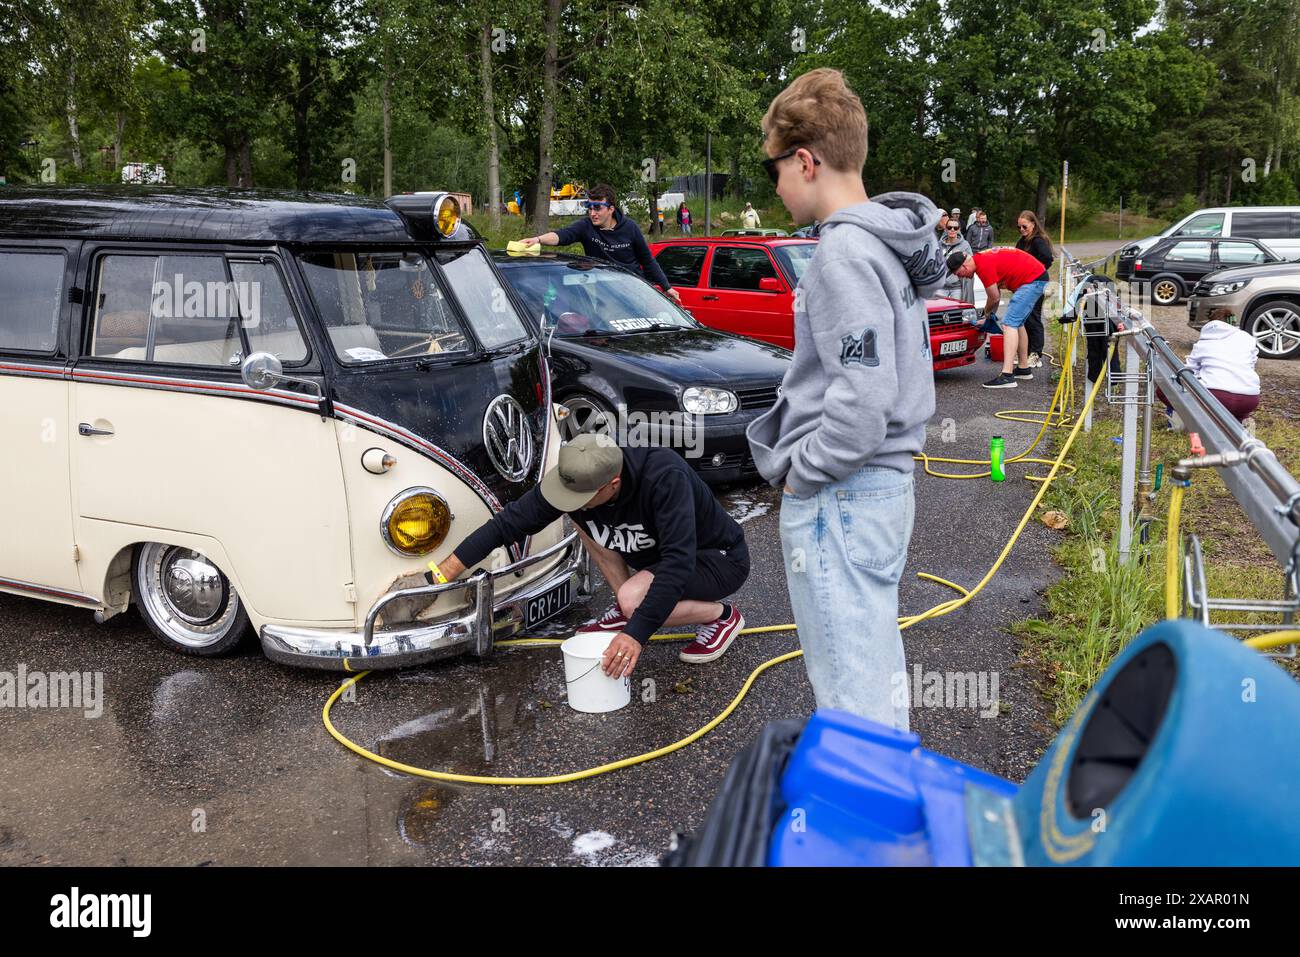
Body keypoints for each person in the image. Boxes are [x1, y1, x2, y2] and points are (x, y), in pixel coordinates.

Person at [746, 67, 948, 731]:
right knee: (872, 675)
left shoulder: (841, 254)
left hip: (844, 496)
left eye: (775, 169)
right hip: (880, 490)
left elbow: (861, 401)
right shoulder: (887, 243)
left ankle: (875, 830)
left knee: (851, 700)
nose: (775, 187)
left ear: (805, 161)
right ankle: (887, 813)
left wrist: (803, 472)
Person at [427, 434, 749, 678]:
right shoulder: (578, 476)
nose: (570, 501)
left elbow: (677, 565)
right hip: (657, 557)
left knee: (635, 600)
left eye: (581, 497)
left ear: (613, 484)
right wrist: (442, 574)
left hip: (715, 558)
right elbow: (507, 524)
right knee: (585, 524)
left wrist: (635, 635)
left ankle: (720, 616)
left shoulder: (664, 477)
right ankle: (627, 606)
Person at [520, 184, 680, 301]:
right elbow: (563, 235)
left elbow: (648, 260)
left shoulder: (630, 228)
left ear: (611, 209)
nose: (592, 213)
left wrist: (667, 287)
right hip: (604, 292)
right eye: (589, 207)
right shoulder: (585, 226)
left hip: (633, 289)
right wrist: (538, 240)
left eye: (597, 208)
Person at [948, 245, 1049, 388]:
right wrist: (989, 316)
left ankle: (1007, 376)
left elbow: (994, 298)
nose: (959, 277)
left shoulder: (983, 265)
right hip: (1036, 277)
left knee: (1009, 324)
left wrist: (985, 315)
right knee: (1017, 323)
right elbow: (995, 294)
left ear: (964, 266)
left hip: (1033, 280)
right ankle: (1023, 368)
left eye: (958, 273)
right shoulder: (982, 260)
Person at [1159, 307, 1260, 428]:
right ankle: (1240, 422)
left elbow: (1189, 372)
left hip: (1216, 396)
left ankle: (1182, 420)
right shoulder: (1248, 339)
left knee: (1164, 390)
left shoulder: (1205, 342)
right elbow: (1252, 363)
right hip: (1249, 398)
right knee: (1237, 400)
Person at [1014, 209, 1054, 369]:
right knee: (1025, 317)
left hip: (1036, 283)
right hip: (1024, 284)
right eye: (1019, 227)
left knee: (1033, 318)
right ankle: (1027, 353)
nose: (1022, 230)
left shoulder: (1038, 241)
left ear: (1033, 224)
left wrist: (1036, 271)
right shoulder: (1023, 241)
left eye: (1024, 226)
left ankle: (1036, 354)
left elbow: (1048, 259)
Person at [939, 217, 973, 304]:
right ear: (946, 229)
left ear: (959, 229)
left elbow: (970, 265)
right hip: (941, 287)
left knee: (956, 313)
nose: (952, 230)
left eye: (955, 228)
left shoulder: (965, 245)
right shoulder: (939, 244)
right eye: (950, 227)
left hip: (957, 287)